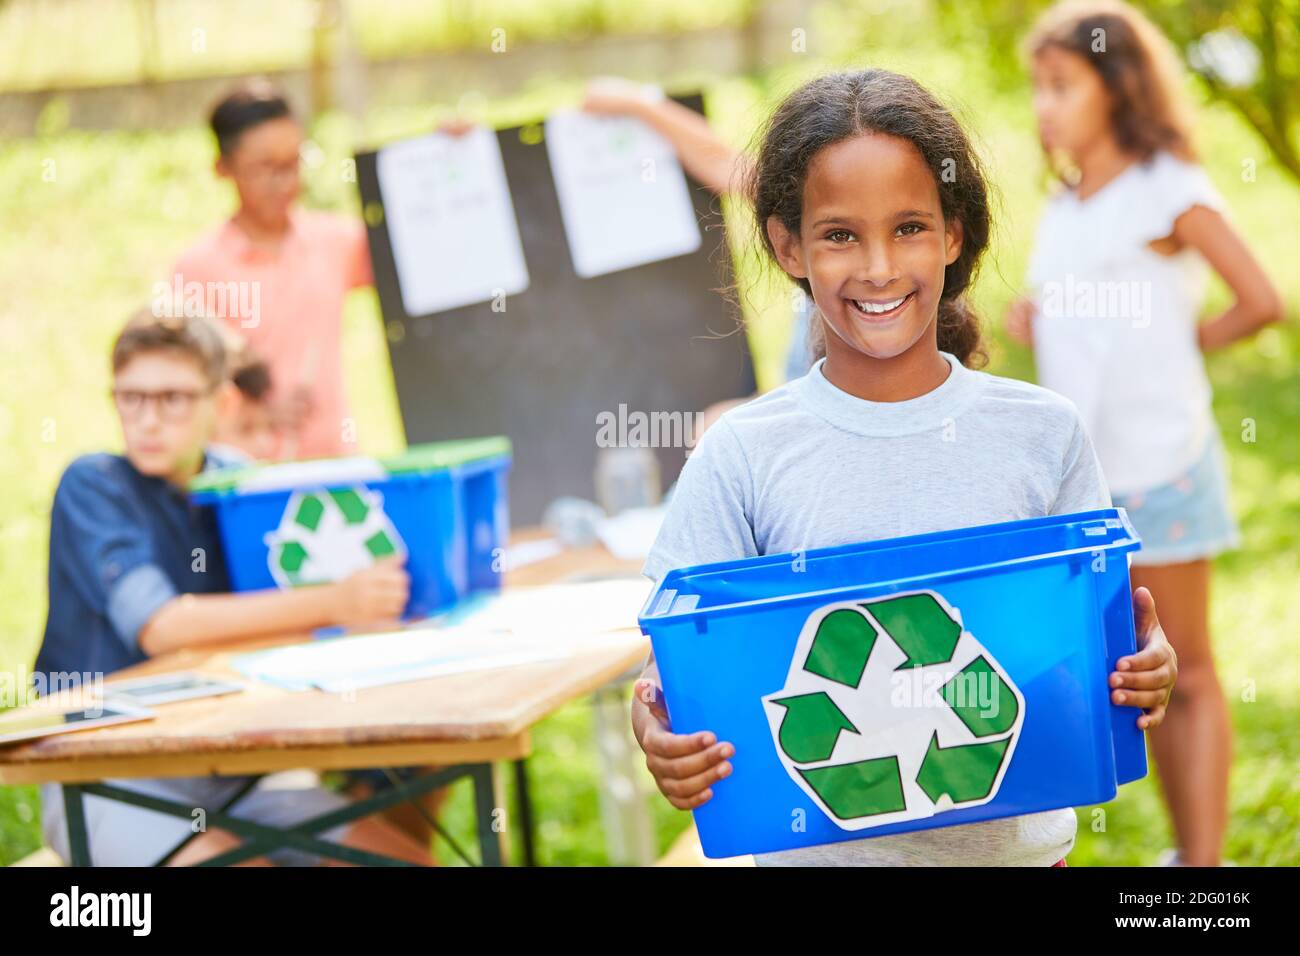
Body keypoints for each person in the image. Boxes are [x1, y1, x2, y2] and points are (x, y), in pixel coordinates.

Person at [630, 68, 1179, 866]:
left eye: (910, 227)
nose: (880, 267)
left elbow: (1089, 648)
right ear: (789, 245)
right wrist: (654, 728)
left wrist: (1139, 670)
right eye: (841, 235)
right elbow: (669, 670)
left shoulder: (1042, 432)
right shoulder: (743, 455)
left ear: (954, 234)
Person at [1009, 0, 1282, 866]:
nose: (1044, 106)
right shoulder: (1066, 201)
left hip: (1161, 464)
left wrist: (1182, 343)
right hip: (1088, 479)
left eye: (1063, 85)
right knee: (1137, 670)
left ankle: (1202, 876)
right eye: (1038, 89)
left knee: (1190, 670)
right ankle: (1184, 853)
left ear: (1117, 84)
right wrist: (1038, 320)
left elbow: (1261, 298)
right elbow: (1080, 310)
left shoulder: (1167, 185)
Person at [33, 309, 424, 866]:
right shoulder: (94, 485)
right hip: (104, 772)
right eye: (130, 398)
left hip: (230, 769)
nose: (147, 420)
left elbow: (287, 597)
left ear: (221, 403)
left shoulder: (237, 483)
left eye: (172, 399)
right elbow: (161, 627)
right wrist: (334, 601)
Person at [171, 80, 373, 461]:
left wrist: (452, 152)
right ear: (223, 168)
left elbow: (417, 248)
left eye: (294, 162)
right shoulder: (197, 270)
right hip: (249, 478)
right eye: (265, 167)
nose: (285, 181)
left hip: (336, 469)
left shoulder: (333, 241)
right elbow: (182, 384)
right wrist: (259, 413)